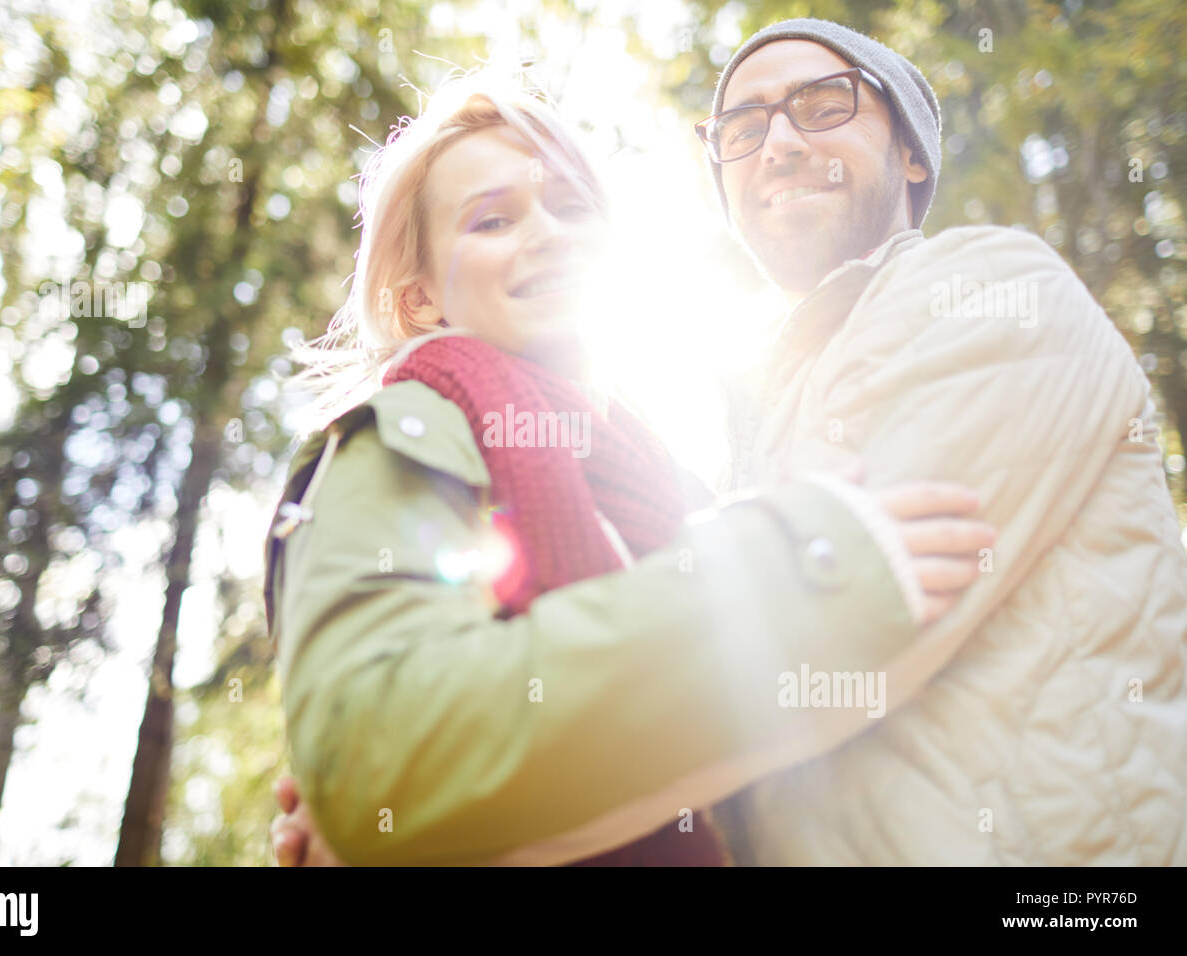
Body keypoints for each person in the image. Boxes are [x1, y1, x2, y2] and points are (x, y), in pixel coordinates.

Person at [262, 70, 995, 865]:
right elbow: (382, 758)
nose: (549, 234)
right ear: (421, 302)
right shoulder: (401, 435)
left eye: (572, 209)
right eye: (494, 220)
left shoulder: (676, 485)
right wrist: (793, 576)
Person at [692, 18, 1187, 864]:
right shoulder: (756, 411)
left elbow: (822, 609)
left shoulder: (994, 290)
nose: (776, 140)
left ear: (912, 153)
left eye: (821, 102)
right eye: (742, 128)